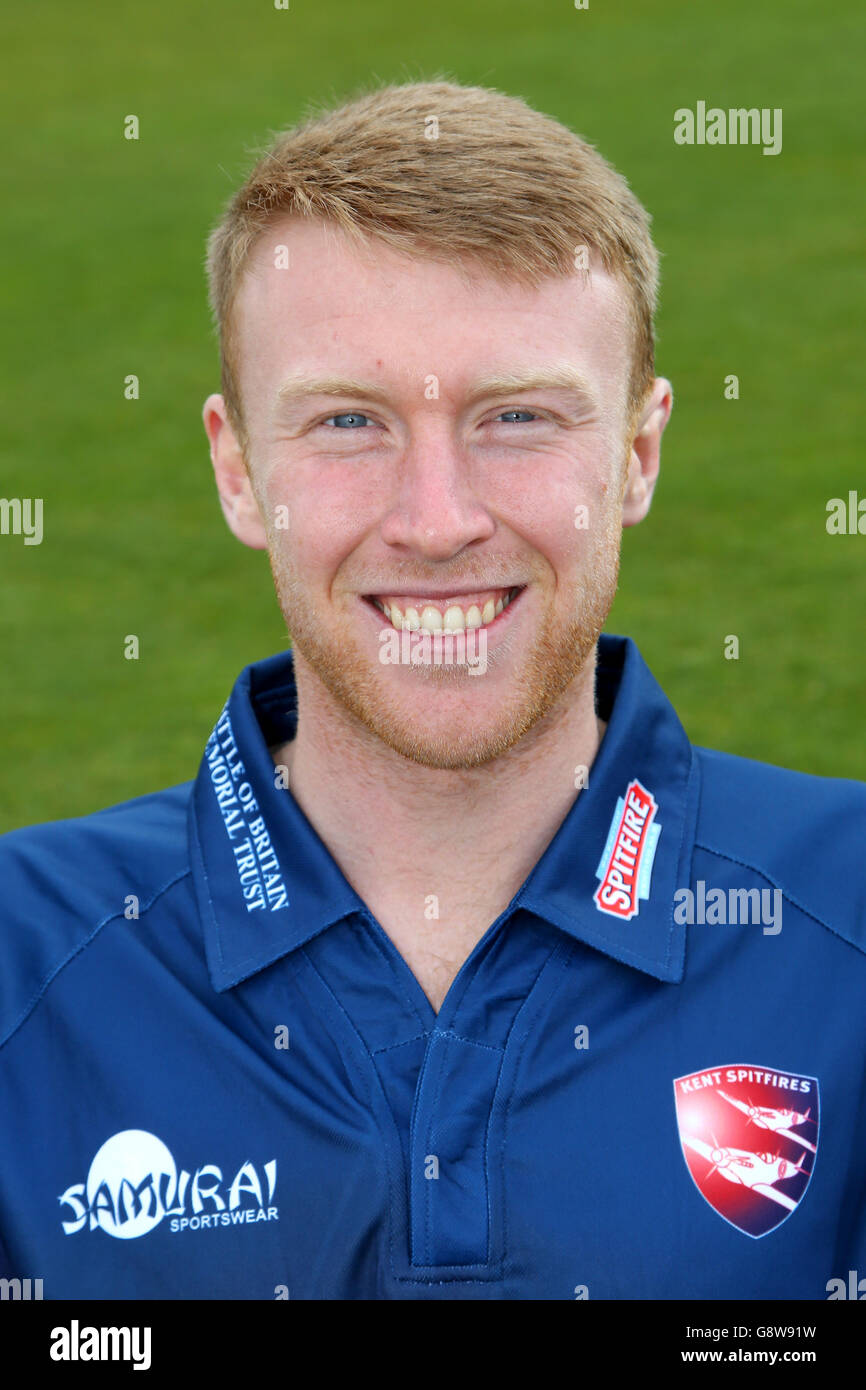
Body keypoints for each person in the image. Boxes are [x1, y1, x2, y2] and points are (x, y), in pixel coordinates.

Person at [0, 81, 863, 1301]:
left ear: (636, 452)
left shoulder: (845, 922)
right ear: (238, 471)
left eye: (515, 416)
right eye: (348, 422)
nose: (438, 521)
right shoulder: (21, 961)